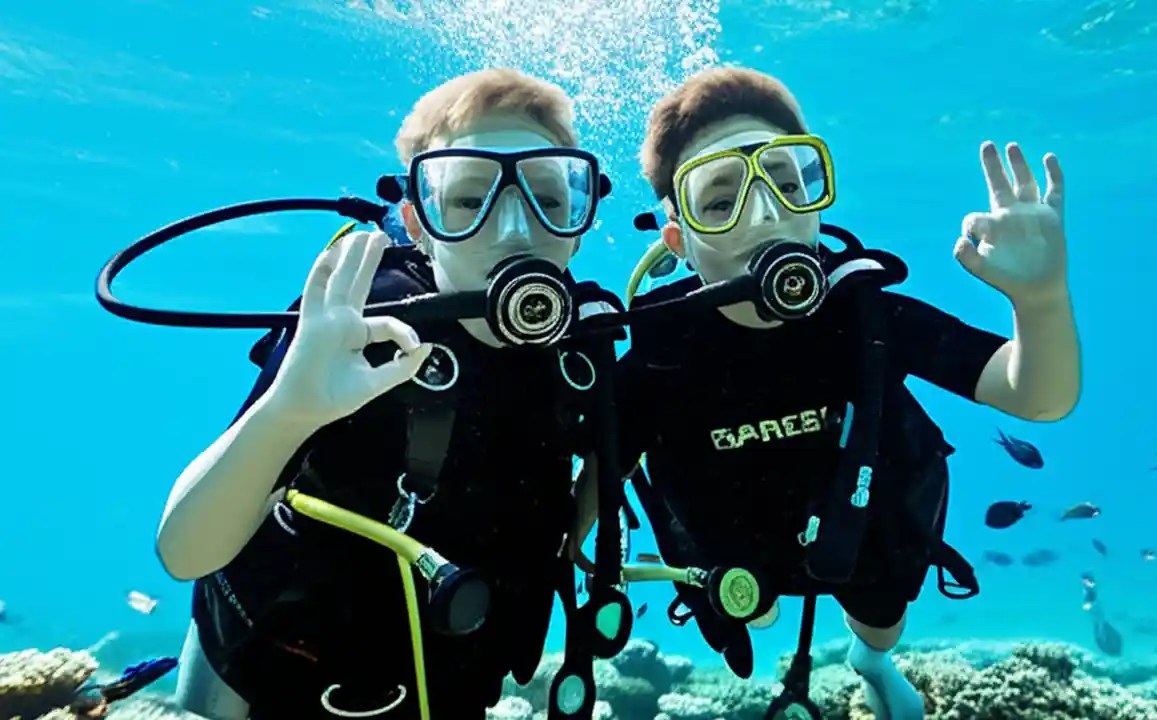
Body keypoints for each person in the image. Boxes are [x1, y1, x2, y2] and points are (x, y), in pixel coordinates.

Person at [569, 67, 1081, 720]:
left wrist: (1040, 301)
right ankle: (771, 609)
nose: (766, 214)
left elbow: (1040, 397)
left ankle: (868, 661)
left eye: (788, 182)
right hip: (728, 546)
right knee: (748, 613)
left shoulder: (866, 316)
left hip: (864, 530)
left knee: (880, 626)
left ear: (818, 198)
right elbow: (585, 497)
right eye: (719, 201)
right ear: (679, 240)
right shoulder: (659, 356)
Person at [160, 68, 622, 720]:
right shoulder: (358, 328)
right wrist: (287, 408)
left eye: (548, 198)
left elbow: (605, 465)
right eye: (468, 201)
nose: (516, 229)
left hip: (455, 683)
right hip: (274, 682)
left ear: (579, 220)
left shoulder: (588, 346)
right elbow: (184, 551)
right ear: (419, 222)